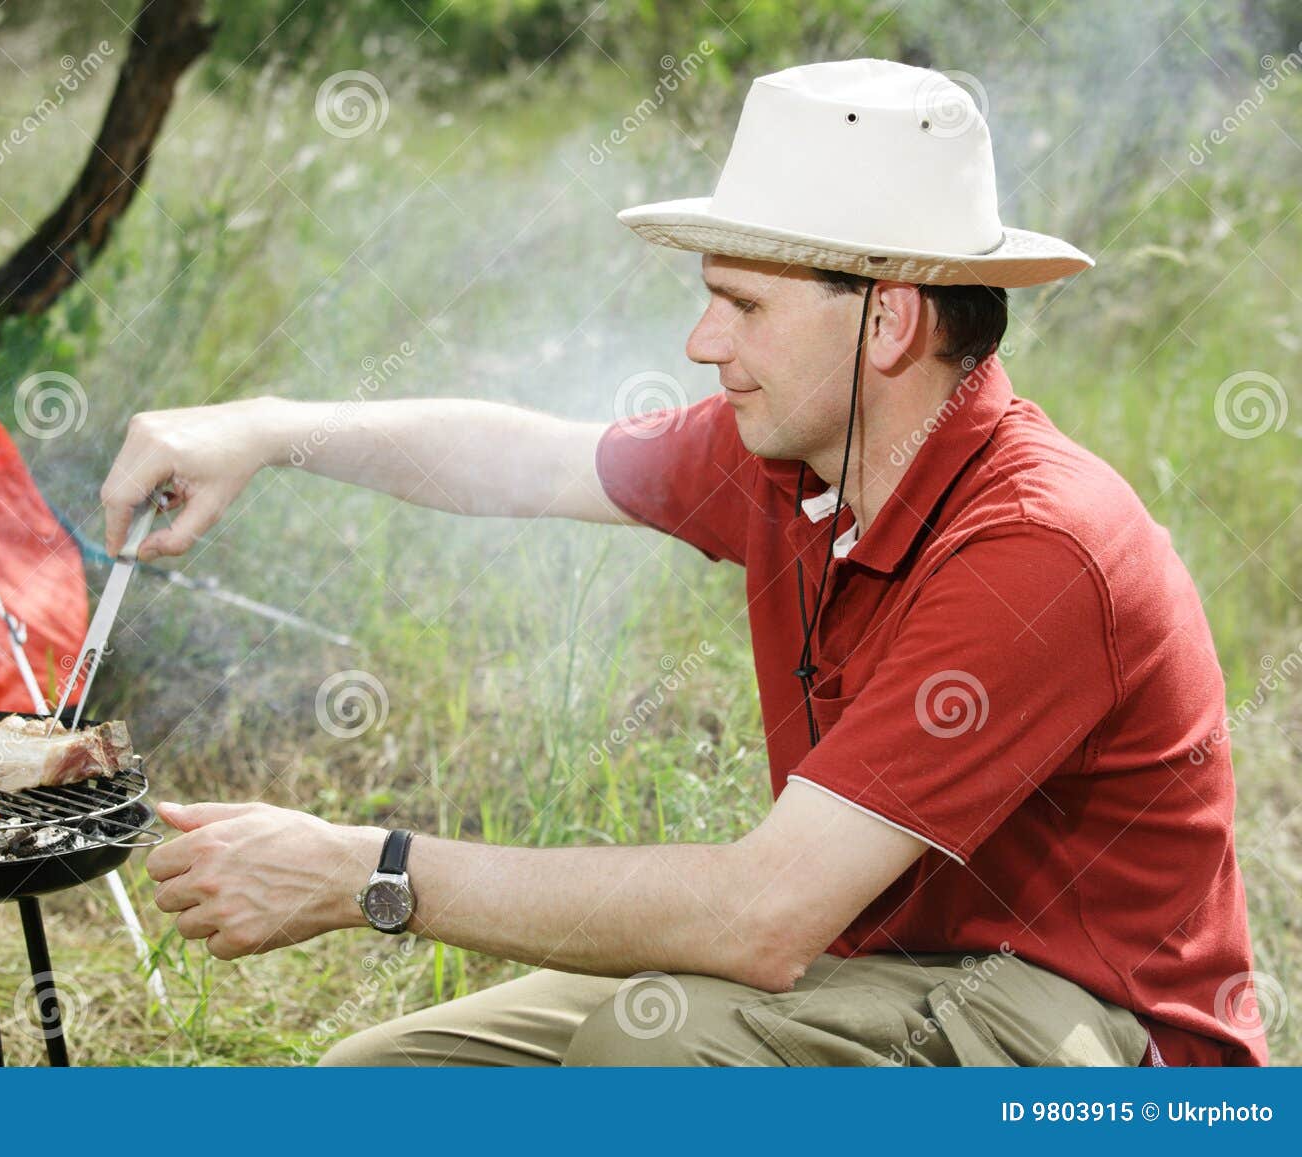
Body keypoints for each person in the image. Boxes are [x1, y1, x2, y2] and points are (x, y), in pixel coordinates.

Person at [103, 59, 1264, 1066]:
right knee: (378, 1080)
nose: (702, 343)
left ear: (889, 321)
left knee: (650, 1049)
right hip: (867, 962)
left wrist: (364, 869)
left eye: (741, 305)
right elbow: (533, 460)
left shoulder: (1036, 549)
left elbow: (761, 915)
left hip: (1092, 1030)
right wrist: (262, 427)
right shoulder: (795, 458)